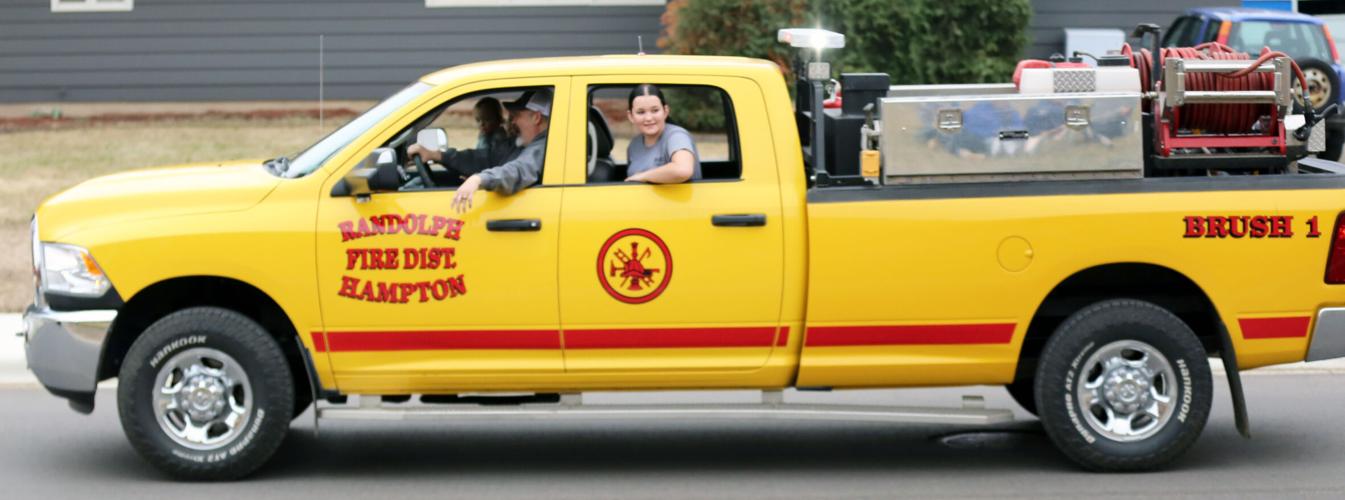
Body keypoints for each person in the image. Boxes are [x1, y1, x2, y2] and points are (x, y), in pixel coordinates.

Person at [410, 89, 552, 213]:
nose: (512, 122)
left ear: (536, 117)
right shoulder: (519, 145)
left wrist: (480, 179)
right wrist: (438, 155)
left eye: (516, 116)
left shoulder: (542, 147)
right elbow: (486, 158)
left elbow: (518, 171)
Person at [624, 84, 700, 183]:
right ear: (630, 116)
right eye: (641, 112)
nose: (648, 118)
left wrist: (642, 176)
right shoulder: (634, 144)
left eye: (655, 110)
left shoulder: (677, 136)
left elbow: (683, 170)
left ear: (665, 111)